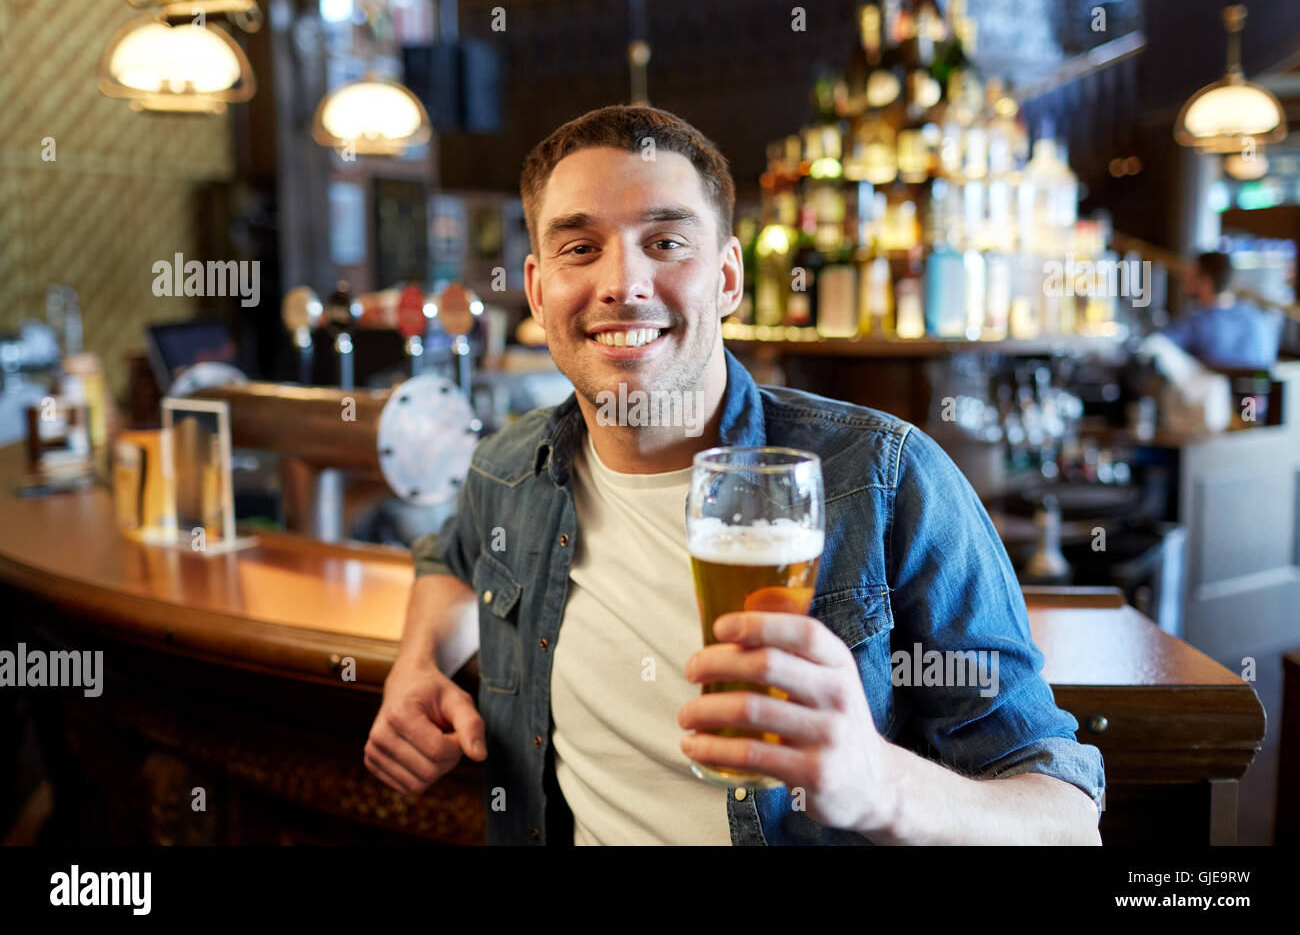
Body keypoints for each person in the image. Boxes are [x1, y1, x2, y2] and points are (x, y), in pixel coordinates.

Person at [364, 105, 1104, 845]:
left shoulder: (885, 480)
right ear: (535, 290)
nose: (623, 282)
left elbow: (1067, 819)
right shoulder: (507, 467)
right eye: (581, 247)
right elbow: (451, 561)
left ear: (726, 278)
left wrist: (880, 785)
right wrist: (417, 665)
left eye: (666, 241)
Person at [1163, 251, 1283, 370]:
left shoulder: (1198, 323)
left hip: (1209, 387)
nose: (1185, 280)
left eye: (1190, 274)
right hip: (1262, 389)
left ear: (1206, 282)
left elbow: (1157, 346)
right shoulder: (1261, 321)